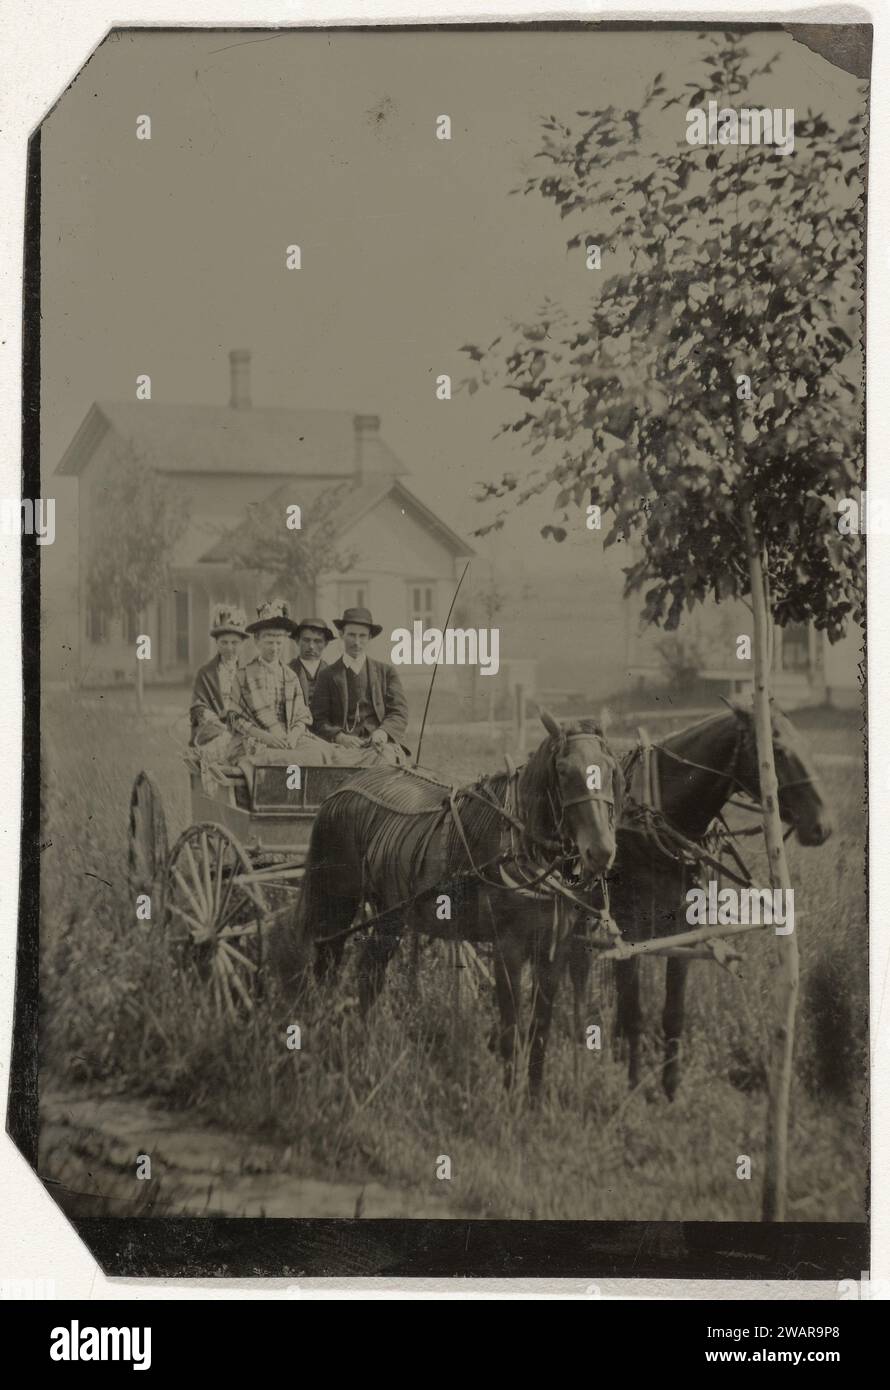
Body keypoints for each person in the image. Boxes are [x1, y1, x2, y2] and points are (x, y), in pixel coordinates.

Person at [227, 601, 334, 762]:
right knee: (271, 758)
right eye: (269, 642)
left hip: (287, 738)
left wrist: (293, 735)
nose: (274, 648)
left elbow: (301, 716)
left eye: (279, 643)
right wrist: (265, 737)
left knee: (318, 752)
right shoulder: (243, 676)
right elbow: (234, 717)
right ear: (257, 640)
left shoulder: (290, 676)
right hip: (256, 738)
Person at [311, 606, 410, 765]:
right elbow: (318, 719)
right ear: (341, 634)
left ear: (370, 637)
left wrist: (382, 732)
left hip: (379, 746)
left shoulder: (386, 672)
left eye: (362, 636)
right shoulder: (327, 675)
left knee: (386, 761)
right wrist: (339, 737)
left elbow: (399, 712)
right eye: (351, 635)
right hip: (340, 748)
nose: (357, 642)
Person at [189, 604, 249, 764]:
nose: (229, 648)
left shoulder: (250, 671)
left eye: (234, 643)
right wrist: (219, 724)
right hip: (214, 730)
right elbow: (198, 706)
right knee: (224, 745)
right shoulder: (206, 673)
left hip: (246, 729)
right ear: (217, 643)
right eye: (224, 643)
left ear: (242, 644)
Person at [289, 617, 334, 717]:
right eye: (306, 640)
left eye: (318, 641)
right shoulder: (286, 671)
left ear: (325, 644)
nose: (311, 646)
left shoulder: (334, 673)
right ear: (297, 641)